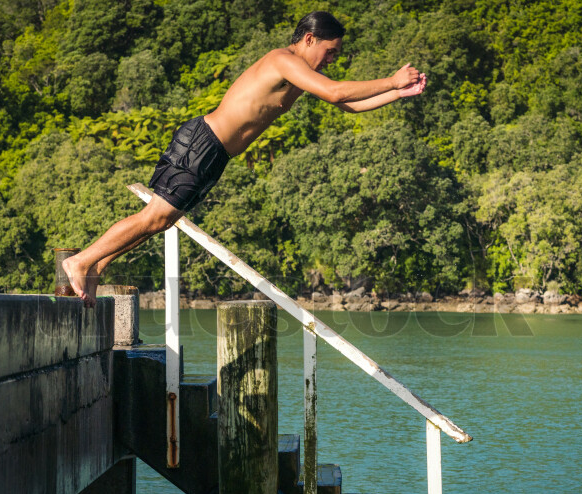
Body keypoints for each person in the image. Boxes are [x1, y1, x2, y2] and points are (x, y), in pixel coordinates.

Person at [63, 11, 427, 307]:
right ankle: (80, 261)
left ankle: (97, 266)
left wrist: (399, 95)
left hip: (215, 155)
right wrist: (392, 81)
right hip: (202, 143)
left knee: (163, 221)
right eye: (330, 51)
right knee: (155, 216)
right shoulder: (283, 61)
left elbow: (349, 105)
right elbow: (335, 93)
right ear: (309, 39)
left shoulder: (300, 76)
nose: (332, 59)